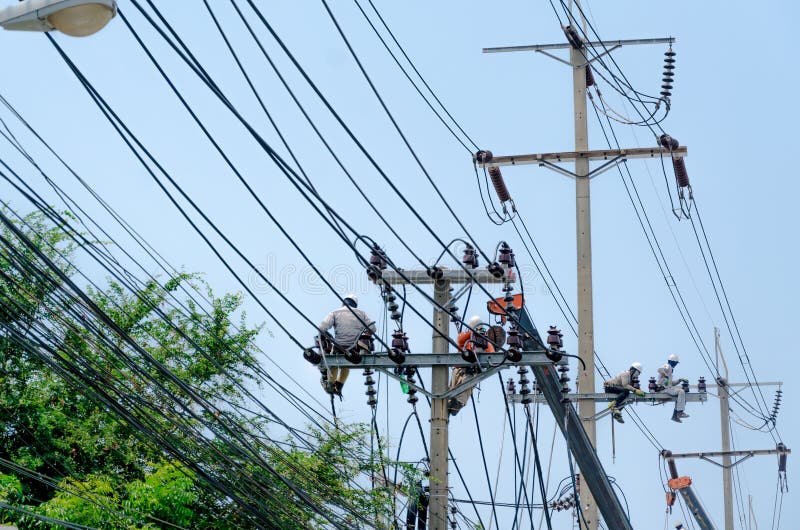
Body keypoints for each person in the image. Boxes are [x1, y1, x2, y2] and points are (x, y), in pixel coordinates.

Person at [318, 294, 376, 397]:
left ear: (343, 302)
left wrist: (325, 337)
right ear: (355, 305)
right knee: (346, 365)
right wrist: (363, 333)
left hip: (338, 346)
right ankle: (339, 386)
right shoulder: (361, 314)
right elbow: (373, 328)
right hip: (355, 348)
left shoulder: (335, 313)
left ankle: (330, 384)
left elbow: (322, 328)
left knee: (334, 363)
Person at [448, 315, 494, 416]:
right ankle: (450, 403)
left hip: (472, 372)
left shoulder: (485, 342)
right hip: (459, 370)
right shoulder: (466, 339)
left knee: (465, 387)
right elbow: (460, 340)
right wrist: (472, 333)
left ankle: (457, 404)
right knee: (452, 389)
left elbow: (492, 358)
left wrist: (485, 367)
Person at [657, 353, 690, 423]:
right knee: (681, 391)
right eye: (676, 363)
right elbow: (659, 369)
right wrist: (665, 375)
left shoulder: (670, 369)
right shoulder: (667, 366)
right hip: (663, 389)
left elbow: (671, 384)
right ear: (673, 362)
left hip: (667, 389)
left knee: (680, 397)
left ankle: (675, 416)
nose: (676, 365)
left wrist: (680, 380)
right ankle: (680, 412)